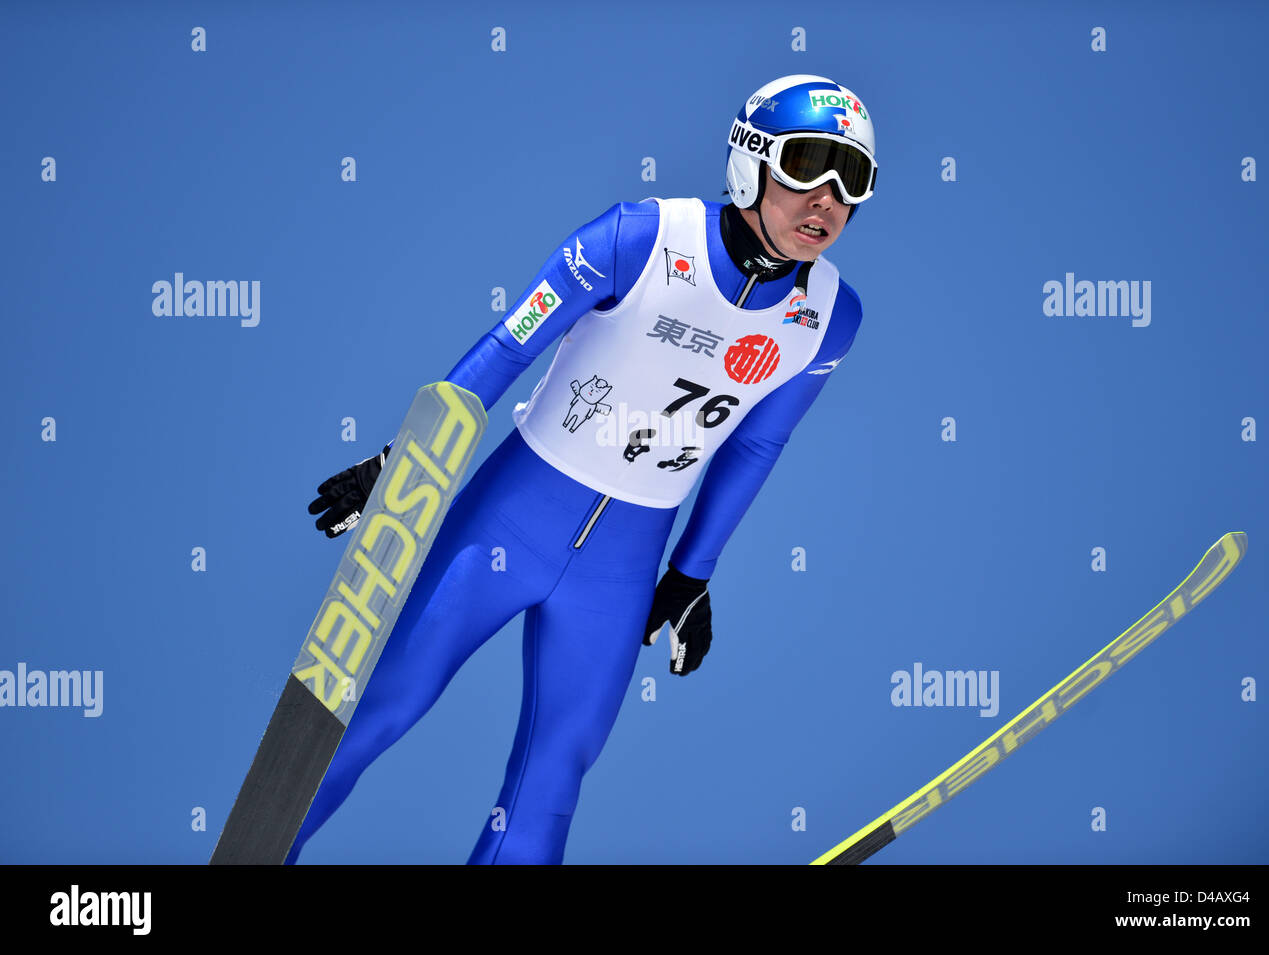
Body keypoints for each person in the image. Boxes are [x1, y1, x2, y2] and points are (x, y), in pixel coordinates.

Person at [291, 73, 878, 864]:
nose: (827, 199)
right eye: (806, 165)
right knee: (384, 703)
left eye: (852, 180)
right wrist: (406, 462)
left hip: (618, 571)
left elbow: (754, 445)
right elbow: (511, 344)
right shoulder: (640, 237)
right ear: (751, 162)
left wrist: (691, 574)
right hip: (510, 520)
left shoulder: (829, 318)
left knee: (550, 780)